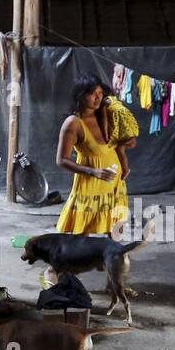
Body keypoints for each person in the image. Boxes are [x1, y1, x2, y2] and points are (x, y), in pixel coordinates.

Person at [55, 76, 128, 235]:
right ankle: (82, 258)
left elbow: (124, 142)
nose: (98, 97)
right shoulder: (73, 123)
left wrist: (124, 162)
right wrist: (93, 171)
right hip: (91, 182)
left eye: (100, 93)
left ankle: (114, 257)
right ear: (81, 95)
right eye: (93, 93)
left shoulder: (106, 115)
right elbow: (61, 160)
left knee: (115, 228)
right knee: (82, 230)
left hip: (113, 180)